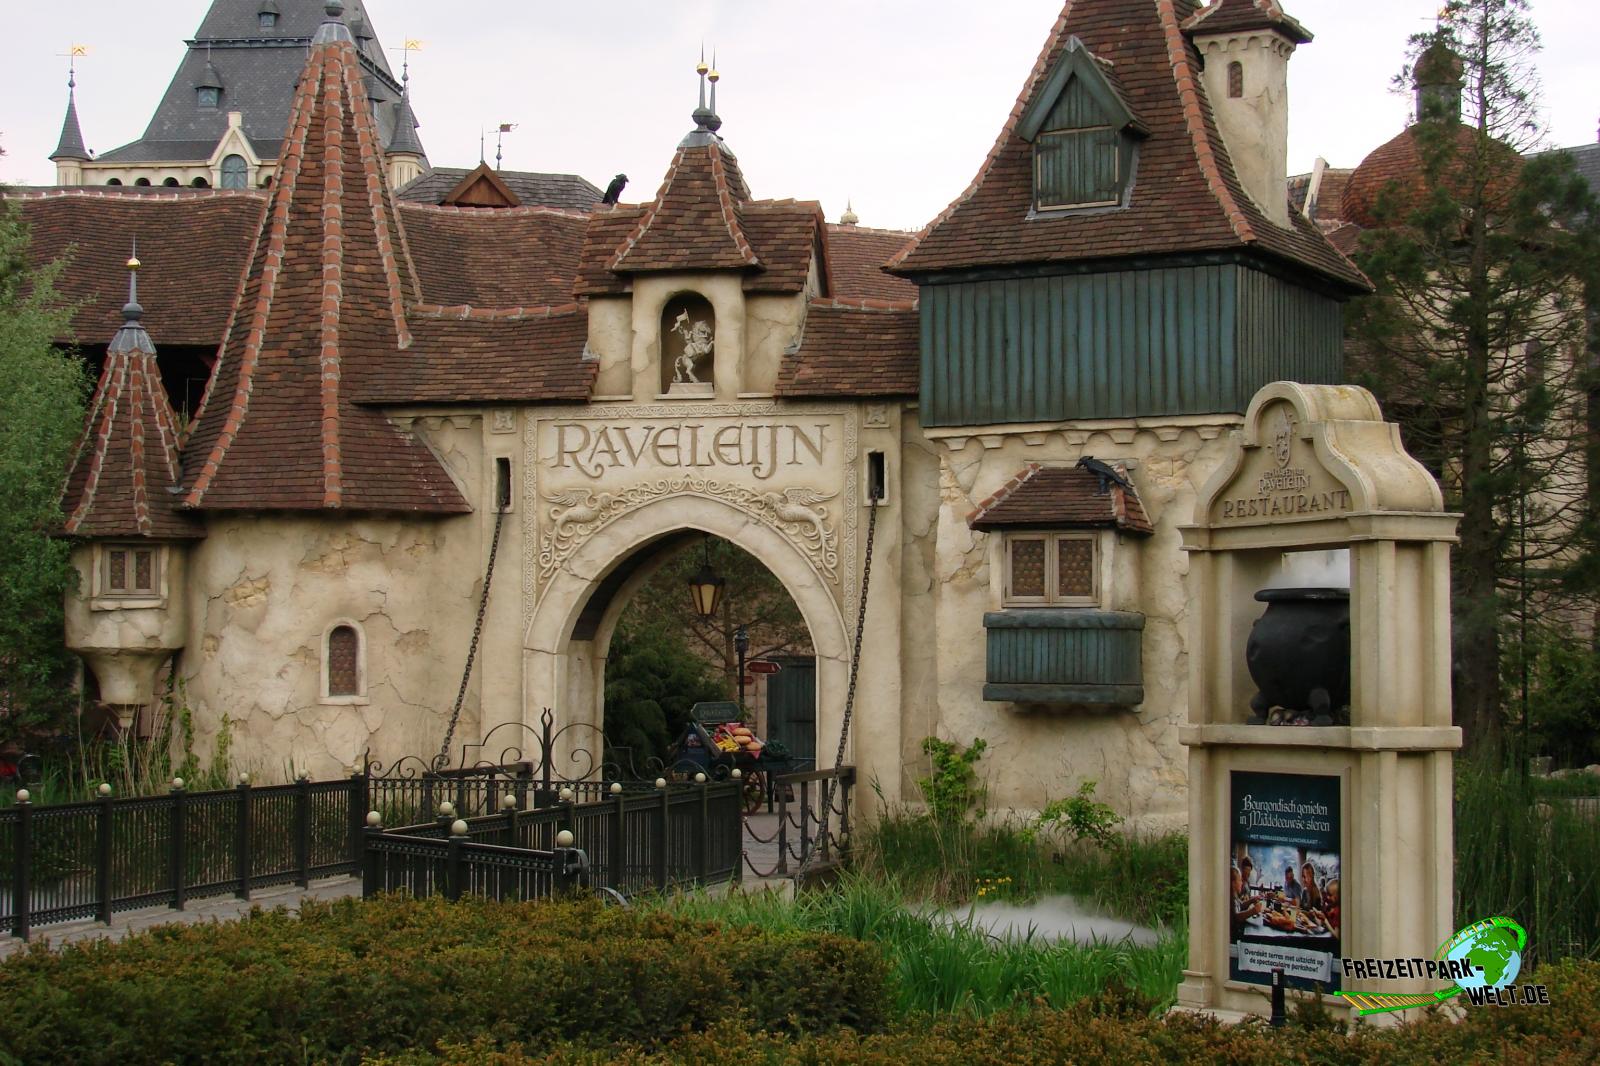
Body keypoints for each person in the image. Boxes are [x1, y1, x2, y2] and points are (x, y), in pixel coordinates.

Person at [1231, 866, 1264, 935]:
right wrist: (1253, 911)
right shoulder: (1229, 898)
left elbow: (1241, 906)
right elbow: (1236, 917)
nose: (1241, 883)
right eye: (1239, 880)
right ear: (1233, 883)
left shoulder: (1235, 896)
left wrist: (1252, 900)